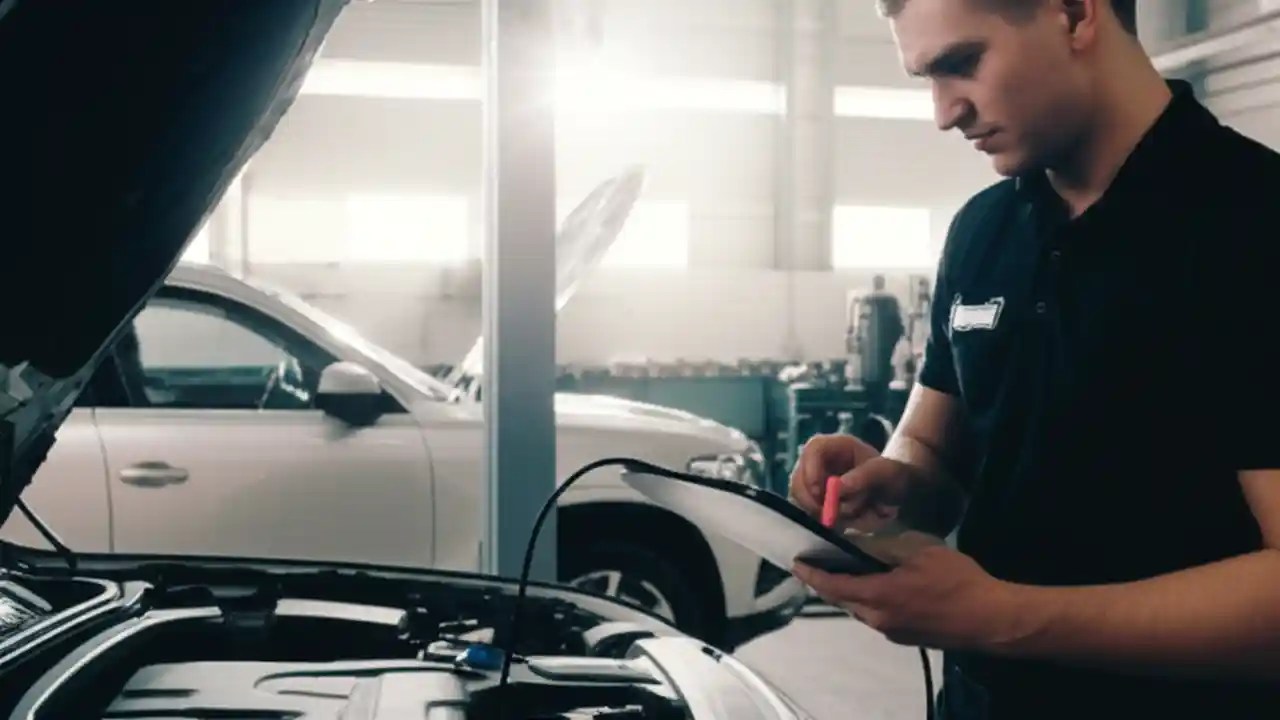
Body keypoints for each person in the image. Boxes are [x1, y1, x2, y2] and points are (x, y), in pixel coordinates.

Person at [787, 1, 1280, 718]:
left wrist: (999, 617)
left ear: (1075, 14)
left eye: (962, 63)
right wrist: (891, 483)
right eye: (927, 78)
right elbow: (933, 444)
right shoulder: (980, 230)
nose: (944, 113)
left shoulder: (1256, 224)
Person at [849, 274, 906, 414]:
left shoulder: (866, 301)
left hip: (868, 366)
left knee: (871, 395)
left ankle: (873, 415)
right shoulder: (890, 301)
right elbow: (900, 329)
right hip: (885, 359)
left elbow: (858, 330)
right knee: (883, 392)